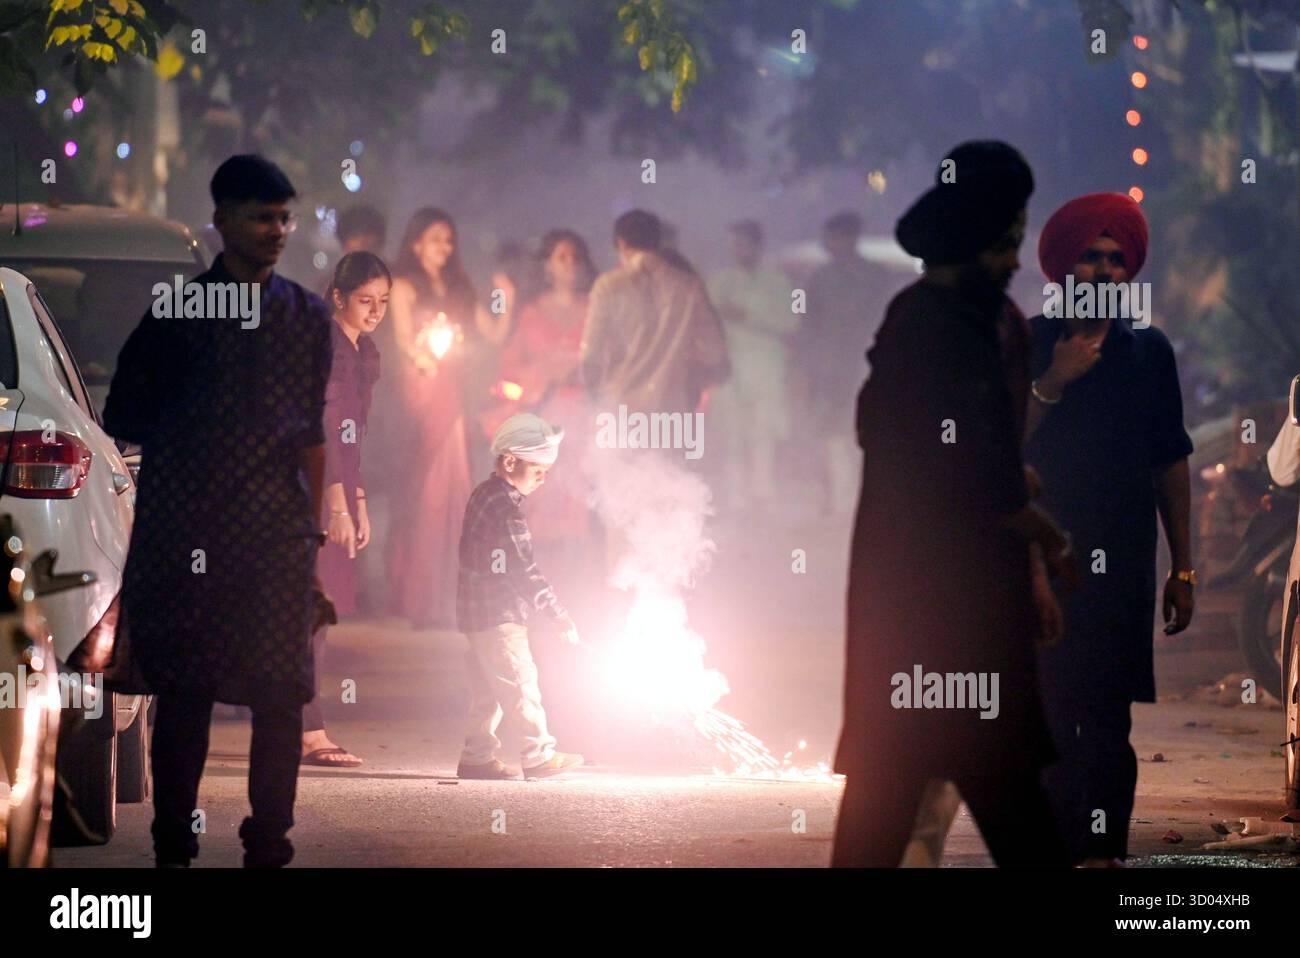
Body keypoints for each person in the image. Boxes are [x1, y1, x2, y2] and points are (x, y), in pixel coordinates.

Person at [832, 141, 1075, 868]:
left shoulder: (993, 323)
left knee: (916, 783)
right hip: (921, 605)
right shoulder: (926, 326)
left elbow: (993, 460)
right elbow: (960, 468)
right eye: (1005, 242)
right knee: (950, 781)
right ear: (971, 241)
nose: (1015, 258)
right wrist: (1043, 534)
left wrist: (1027, 563)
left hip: (968, 606)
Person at [103, 155, 332, 868]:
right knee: (187, 689)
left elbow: (312, 433)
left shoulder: (307, 316)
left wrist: (312, 537)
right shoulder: (178, 311)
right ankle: (175, 839)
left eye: (284, 218)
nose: (276, 231)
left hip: (273, 537)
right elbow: (126, 413)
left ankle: (271, 841)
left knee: (279, 692)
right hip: (189, 533)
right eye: (261, 217)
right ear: (222, 221)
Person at [1025, 192, 1194, 866]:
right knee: (1045, 713)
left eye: (1116, 259)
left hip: (1122, 560)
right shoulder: (1031, 341)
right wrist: (1054, 382)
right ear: (1064, 267)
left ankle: (1101, 853)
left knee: (1106, 718)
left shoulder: (1149, 352)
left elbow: (1170, 462)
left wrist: (1183, 568)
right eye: (1090, 257)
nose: (1103, 270)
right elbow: (998, 452)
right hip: (1042, 559)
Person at [456, 413, 585, 779]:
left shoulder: (484, 493)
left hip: (475, 615)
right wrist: (558, 614)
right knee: (520, 683)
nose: (544, 477)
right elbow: (524, 570)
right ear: (510, 461)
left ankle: (477, 757)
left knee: (489, 691)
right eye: (538, 469)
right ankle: (538, 755)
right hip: (499, 615)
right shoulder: (507, 510)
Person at [381, 208, 490, 628]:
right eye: (435, 239)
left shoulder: (460, 287)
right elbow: (404, 340)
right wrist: (426, 357)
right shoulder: (404, 285)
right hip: (422, 386)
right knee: (423, 489)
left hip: (451, 384)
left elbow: (489, 334)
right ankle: (419, 596)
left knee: (452, 487)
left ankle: (449, 594)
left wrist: (508, 297)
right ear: (415, 242)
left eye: (449, 239)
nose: (444, 247)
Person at [301, 252, 388, 768]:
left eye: (383, 303)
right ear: (338, 297)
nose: (375, 311)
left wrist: (358, 497)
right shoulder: (328, 347)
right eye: (365, 301)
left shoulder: (364, 350)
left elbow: (357, 435)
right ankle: (308, 731)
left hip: (337, 488)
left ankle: (300, 725)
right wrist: (337, 503)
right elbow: (323, 428)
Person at [804, 211, 894, 513]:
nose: (829, 243)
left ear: (849, 238)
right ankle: (842, 502)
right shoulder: (820, 278)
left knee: (849, 435)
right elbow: (810, 326)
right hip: (837, 369)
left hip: (860, 367)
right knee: (834, 435)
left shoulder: (874, 277)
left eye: (833, 236)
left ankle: (850, 502)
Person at [707, 220, 797, 511]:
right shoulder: (719, 283)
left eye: (744, 243)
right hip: (730, 371)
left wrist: (748, 317)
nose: (738, 250)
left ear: (758, 246)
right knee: (732, 436)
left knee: (763, 436)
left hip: (766, 369)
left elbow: (791, 323)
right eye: (734, 244)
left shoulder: (778, 282)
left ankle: (763, 499)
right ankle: (736, 501)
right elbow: (707, 327)